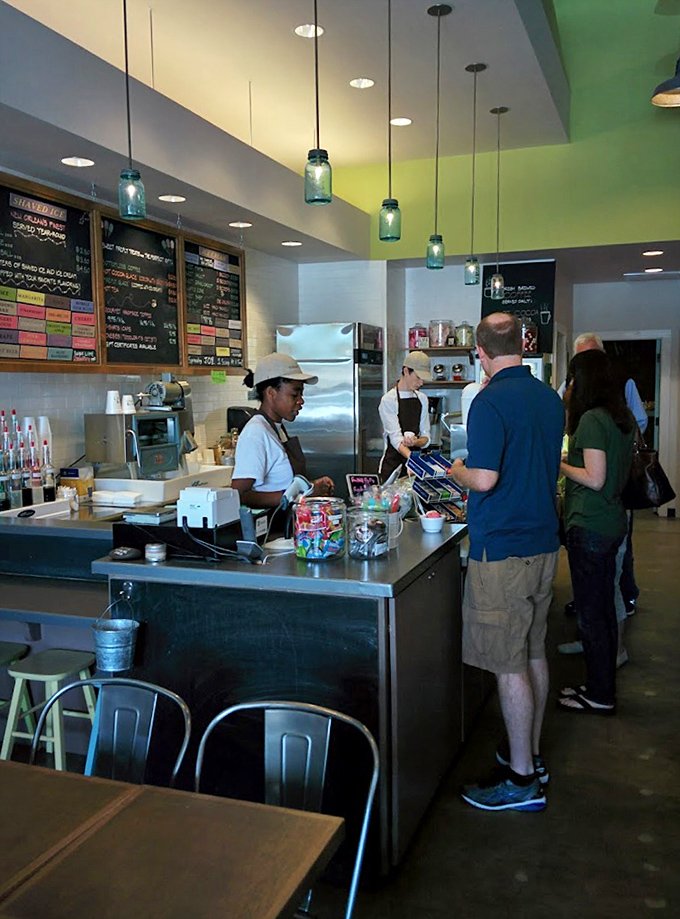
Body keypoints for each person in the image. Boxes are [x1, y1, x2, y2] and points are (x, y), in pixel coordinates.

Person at [450, 313, 564, 812]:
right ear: (523, 344)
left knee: (507, 662)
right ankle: (531, 757)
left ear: (480, 352)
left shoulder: (488, 401)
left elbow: (485, 478)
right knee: (534, 649)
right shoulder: (550, 398)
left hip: (503, 551)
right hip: (543, 544)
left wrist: (456, 469)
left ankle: (520, 781)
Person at [557, 349, 634, 714]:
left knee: (591, 614)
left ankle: (599, 695)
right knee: (604, 609)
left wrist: (559, 464)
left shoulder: (589, 420)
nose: (569, 386)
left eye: (572, 379)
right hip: (614, 520)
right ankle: (601, 686)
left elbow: (594, 477)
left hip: (590, 524)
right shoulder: (621, 419)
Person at [231, 353, 334, 508]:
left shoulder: (276, 428)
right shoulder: (256, 433)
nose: (301, 401)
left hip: (289, 524)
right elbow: (239, 494)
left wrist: (312, 487)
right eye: (294, 394)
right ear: (271, 393)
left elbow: (279, 483)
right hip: (271, 528)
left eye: (301, 394)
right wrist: (303, 495)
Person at [378, 350, 432, 482]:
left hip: (414, 467)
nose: (421, 383)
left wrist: (416, 442)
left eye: (423, 379)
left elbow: (426, 437)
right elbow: (396, 440)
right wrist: (413, 460)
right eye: (418, 377)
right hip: (393, 468)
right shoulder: (389, 400)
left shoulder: (422, 399)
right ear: (406, 371)